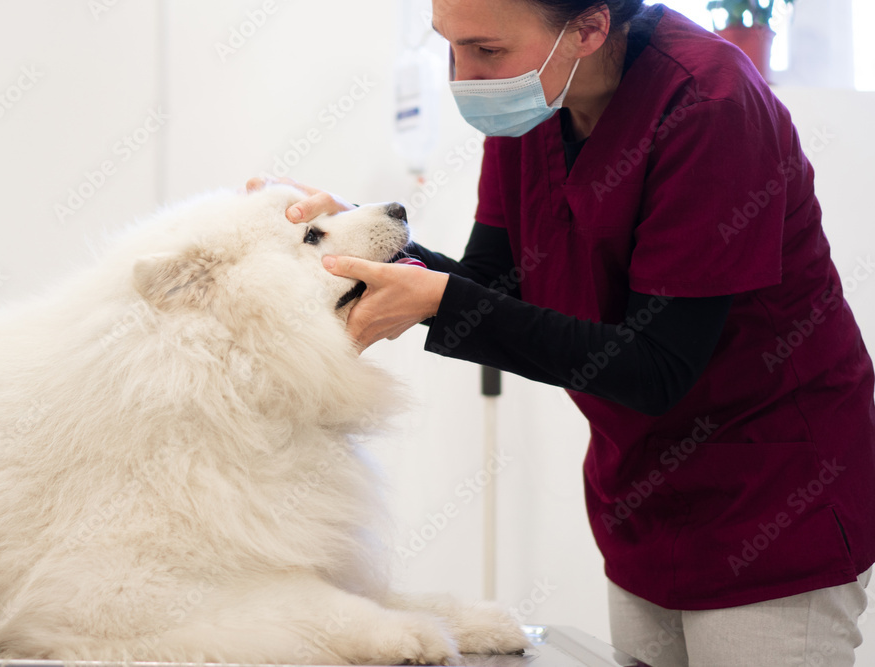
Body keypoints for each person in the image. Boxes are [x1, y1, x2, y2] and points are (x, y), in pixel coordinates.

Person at [247, 0, 875, 664]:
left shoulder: (709, 104)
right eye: (449, 45)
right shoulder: (537, 104)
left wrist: (438, 299)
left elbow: (658, 365)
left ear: (589, 28)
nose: (464, 77)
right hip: (642, 494)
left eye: (487, 51)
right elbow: (494, 287)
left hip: (774, 494)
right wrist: (362, 236)